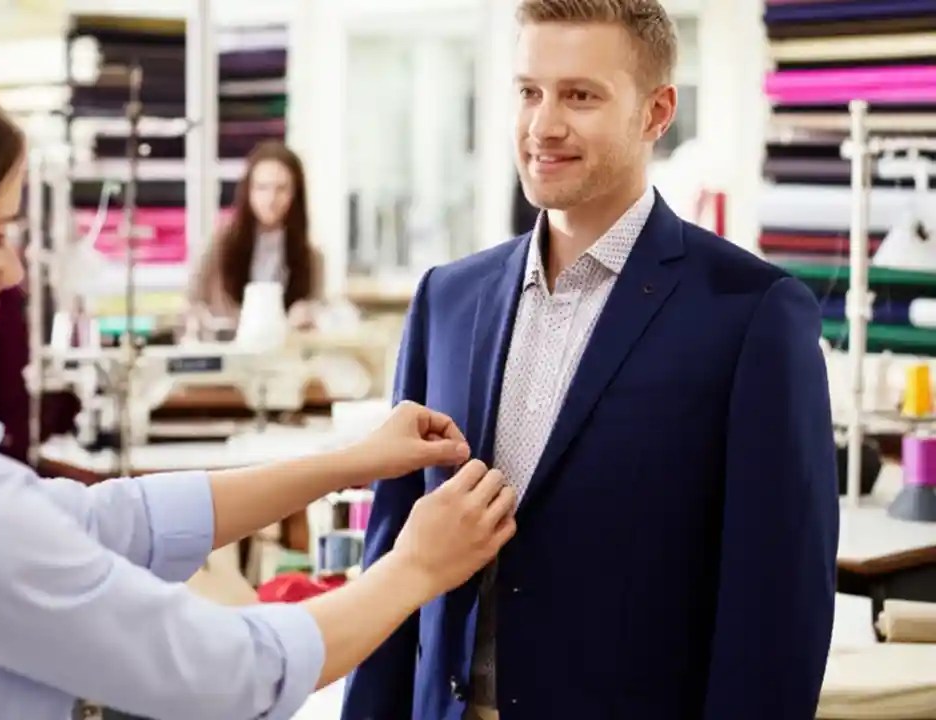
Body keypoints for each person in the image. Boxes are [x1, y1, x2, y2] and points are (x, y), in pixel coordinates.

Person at [0, 47, 520, 720]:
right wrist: (413, 567)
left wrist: (345, 462)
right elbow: (229, 672)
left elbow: (99, 522)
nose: (14, 268)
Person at [340, 2, 839, 719]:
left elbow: (777, 613)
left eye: (580, 95)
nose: (543, 125)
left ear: (656, 111)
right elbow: (391, 558)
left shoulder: (753, 315)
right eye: (528, 91)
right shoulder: (446, 300)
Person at [187, 140, 324, 334]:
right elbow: (191, 305)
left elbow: (316, 313)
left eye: (281, 189)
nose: (271, 199)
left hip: (284, 357)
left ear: (295, 193)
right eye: (262, 187)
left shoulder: (311, 257)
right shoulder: (220, 245)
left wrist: (306, 316)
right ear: (248, 191)